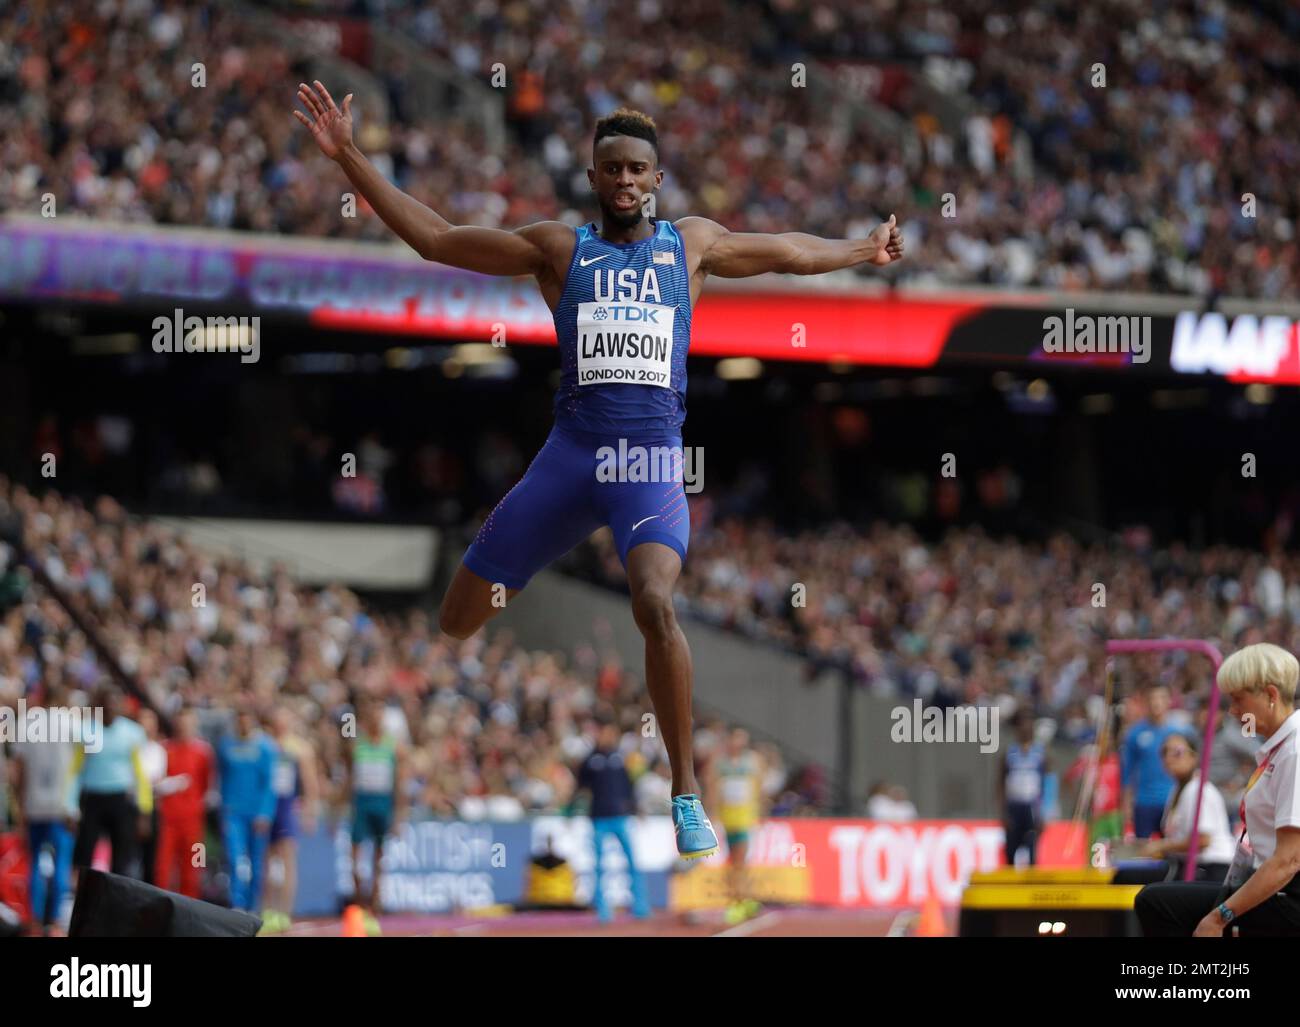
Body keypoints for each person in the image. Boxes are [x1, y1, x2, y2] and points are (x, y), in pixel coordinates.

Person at [292, 81, 905, 861]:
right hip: (571, 459)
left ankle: (686, 790)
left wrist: (862, 249)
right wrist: (348, 156)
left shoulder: (691, 245)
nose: (624, 180)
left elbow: (787, 249)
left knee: (654, 600)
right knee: (454, 620)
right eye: (610, 168)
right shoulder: (559, 248)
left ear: (657, 179)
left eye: (637, 169)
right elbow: (440, 241)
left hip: (647, 463)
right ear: (593, 177)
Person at [1136, 643, 1300, 935]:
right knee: (1155, 897)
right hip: (1264, 881)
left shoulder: (1295, 750)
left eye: (1238, 701)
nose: (1233, 712)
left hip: (1289, 898)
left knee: (1156, 903)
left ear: (1271, 696)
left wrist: (1221, 916)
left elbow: (1289, 860)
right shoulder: (1277, 749)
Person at [10, 697, 78, 932]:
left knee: (35, 864)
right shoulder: (71, 722)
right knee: (61, 864)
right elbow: (80, 765)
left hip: (34, 805)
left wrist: (20, 809)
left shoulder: (26, 723)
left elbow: (18, 772)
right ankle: (57, 923)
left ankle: (35, 922)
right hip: (63, 807)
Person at [70, 688, 152, 882]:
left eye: (115, 704)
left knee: (122, 859)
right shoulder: (86, 731)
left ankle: (116, 905)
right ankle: (83, 902)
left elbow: (140, 774)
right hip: (92, 798)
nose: (110, 708)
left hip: (120, 799)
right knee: (84, 856)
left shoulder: (133, 733)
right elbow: (74, 771)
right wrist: (70, 806)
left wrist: (145, 809)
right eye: (106, 704)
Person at [574, 721, 649, 923]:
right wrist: (572, 811)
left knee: (632, 862)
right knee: (599, 865)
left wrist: (636, 808)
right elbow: (580, 789)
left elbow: (628, 786)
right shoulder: (590, 761)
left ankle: (640, 905)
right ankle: (602, 908)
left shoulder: (620, 758)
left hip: (620, 817)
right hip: (598, 818)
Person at [1137, 730, 1234, 882]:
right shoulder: (1178, 790)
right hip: (1189, 866)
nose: (1169, 758)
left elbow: (1202, 840)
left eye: (1177, 752)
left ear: (1193, 757)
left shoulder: (1199, 790)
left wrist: (1160, 846)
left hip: (1210, 869)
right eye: (1164, 752)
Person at [345, 696, 406, 934]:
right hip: (362, 804)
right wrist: (341, 806)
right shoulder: (356, 744)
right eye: (372, 715)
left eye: (380, 715)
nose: (376, 719)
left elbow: (399, 783)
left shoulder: (393, 746)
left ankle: (375, 903)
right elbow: (348, 780)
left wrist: (400, 815)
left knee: (379, 858)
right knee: (355, 858)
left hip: (383, 804)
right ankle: (360, 899)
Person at [262, 706, 320, 933]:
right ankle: (268, 911)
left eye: (284, 717)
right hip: (267, 808)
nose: (281, 722)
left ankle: (284, 913)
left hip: (286, 808)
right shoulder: (265, 743)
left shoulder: (299, 748)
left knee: (287, 862)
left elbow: (310, 782)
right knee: (266, 863)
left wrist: (309, 812)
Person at [216, 700, 277, 913]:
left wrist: (265, 813)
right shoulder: (225, 745)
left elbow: (269, 783)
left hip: (256, 813)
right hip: (233, 812)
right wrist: (222, 809)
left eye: (247, 719)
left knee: (256, 862)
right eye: (239, 719)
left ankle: (254, 907)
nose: (243, 724)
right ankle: (238, 905)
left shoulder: (265, 747)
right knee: (235, 859)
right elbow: (221, 779)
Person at [706, 726, 764, 924]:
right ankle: (740, 900)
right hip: (727, 817)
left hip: (746, 818)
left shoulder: (753, 761)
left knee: (740, 861)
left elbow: (759, 787)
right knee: (734, 861)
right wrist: (712, 813)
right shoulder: (719, 762)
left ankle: (741, 901)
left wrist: (760, 813)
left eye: (742, 739)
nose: (738, 743)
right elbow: (711, 787)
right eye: (735, 738)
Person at [154, 707, 213, 899]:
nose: (184, 727)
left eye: (188, 723)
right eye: (181, 723)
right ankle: (161, 908)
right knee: (162, 868)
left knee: (194, 867)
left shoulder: (203, 752)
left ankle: (191, 909)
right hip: (167, 819)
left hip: (194, 822)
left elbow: (206, 784)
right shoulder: (164, 748)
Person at [1122, 684, 1179, 838]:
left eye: (1161, 698)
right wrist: (1127, 806)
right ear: (1146, 702)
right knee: (1143, 852)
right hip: (1144, 803)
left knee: (1171, 851)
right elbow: (1127, 772)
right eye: (1152, 698)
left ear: (1169, 701)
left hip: (1171, 803)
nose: (1156, 703)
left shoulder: (1179, 733)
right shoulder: (1135, 734)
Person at [999, 711, 1048, 866]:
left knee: (1032, 849)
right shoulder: (1009, 753)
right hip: (1014, 806)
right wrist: (1003, 811)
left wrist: (1046, 811)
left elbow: (1047, 782)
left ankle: (1032, 888)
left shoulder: (1040, 754)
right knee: (1010, 850)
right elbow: (1000, 783)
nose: (1025, 728)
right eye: (1022, 725)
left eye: (1029, 725)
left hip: (1032, 806)